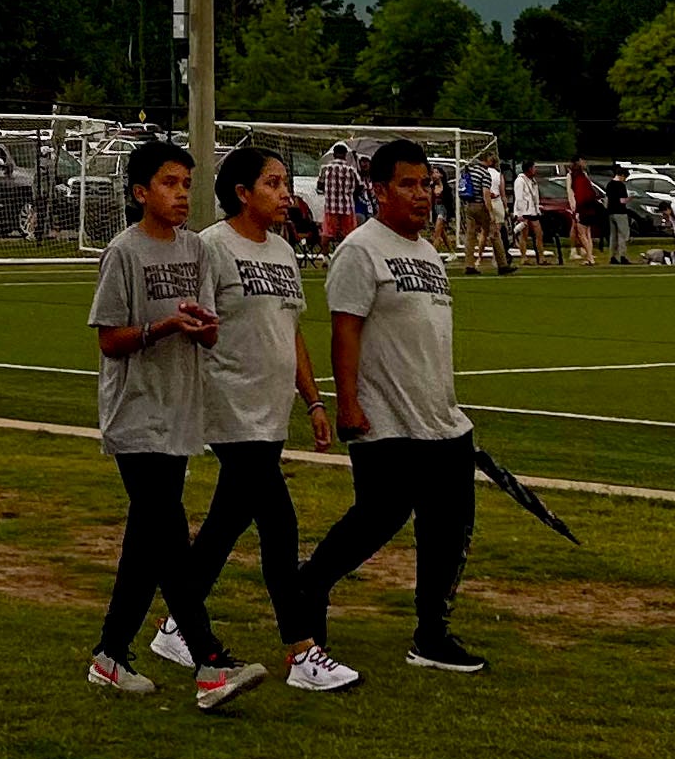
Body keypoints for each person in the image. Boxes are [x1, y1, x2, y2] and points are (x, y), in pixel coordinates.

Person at [150, 146, 358, 693]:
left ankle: (176, 624)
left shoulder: (286, 253)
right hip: (228, 407)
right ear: (242, 193)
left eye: (286, 182)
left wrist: (313, 401)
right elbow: (191, 324)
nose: (286, 193)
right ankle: (301, 650)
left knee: (226, 522)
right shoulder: (210, 249)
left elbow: (289, 333)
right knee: (279, 523)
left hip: (270, 412)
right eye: (273, 183)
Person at [83, 139, 268, 710]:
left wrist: (202, 326)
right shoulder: (124, 253)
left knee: (148, 542)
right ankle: (210, 661)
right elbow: (111, 340)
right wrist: (164, 326)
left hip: (180, 412)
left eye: (186, 183)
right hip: (136, 413)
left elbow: (209, 332)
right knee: (168, 536)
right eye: (169, 183)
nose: (181, 194)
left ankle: (111, 655)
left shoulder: (197, 252)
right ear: (141, 192)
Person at [292, 140, 484, 676]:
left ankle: (431, 633)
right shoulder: (361, 249)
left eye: (428, 184)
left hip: (441, 419)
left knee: (449, 529)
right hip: (385, 418)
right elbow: (345, 331)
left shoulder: (427, 252)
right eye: (408, 184)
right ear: (378, 190)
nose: (422, 195)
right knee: (376, 519)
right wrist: (347, 404)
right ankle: (311, 583)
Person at [318, 140, 367, 253]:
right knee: (348, 234)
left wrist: (329, 191)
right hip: (347, 206)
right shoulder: (351, 170)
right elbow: (360, 186)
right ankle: (346, 253)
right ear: (345, 155)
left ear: (334, 154)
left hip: (330, 206)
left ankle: (325, 256)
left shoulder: (325, 169)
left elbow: (319, 186)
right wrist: (350, 192)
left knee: (327, 232)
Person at [602, 163, 634, 264]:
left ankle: (613, 256)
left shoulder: (609, 184)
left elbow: (606, 200)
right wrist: (630, 198)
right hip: (620, 212)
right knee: (623, 235)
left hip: (611, 212)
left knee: (613, 236)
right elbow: (622, 201)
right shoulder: (620, 185)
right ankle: (622, 256)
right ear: (622, 176)